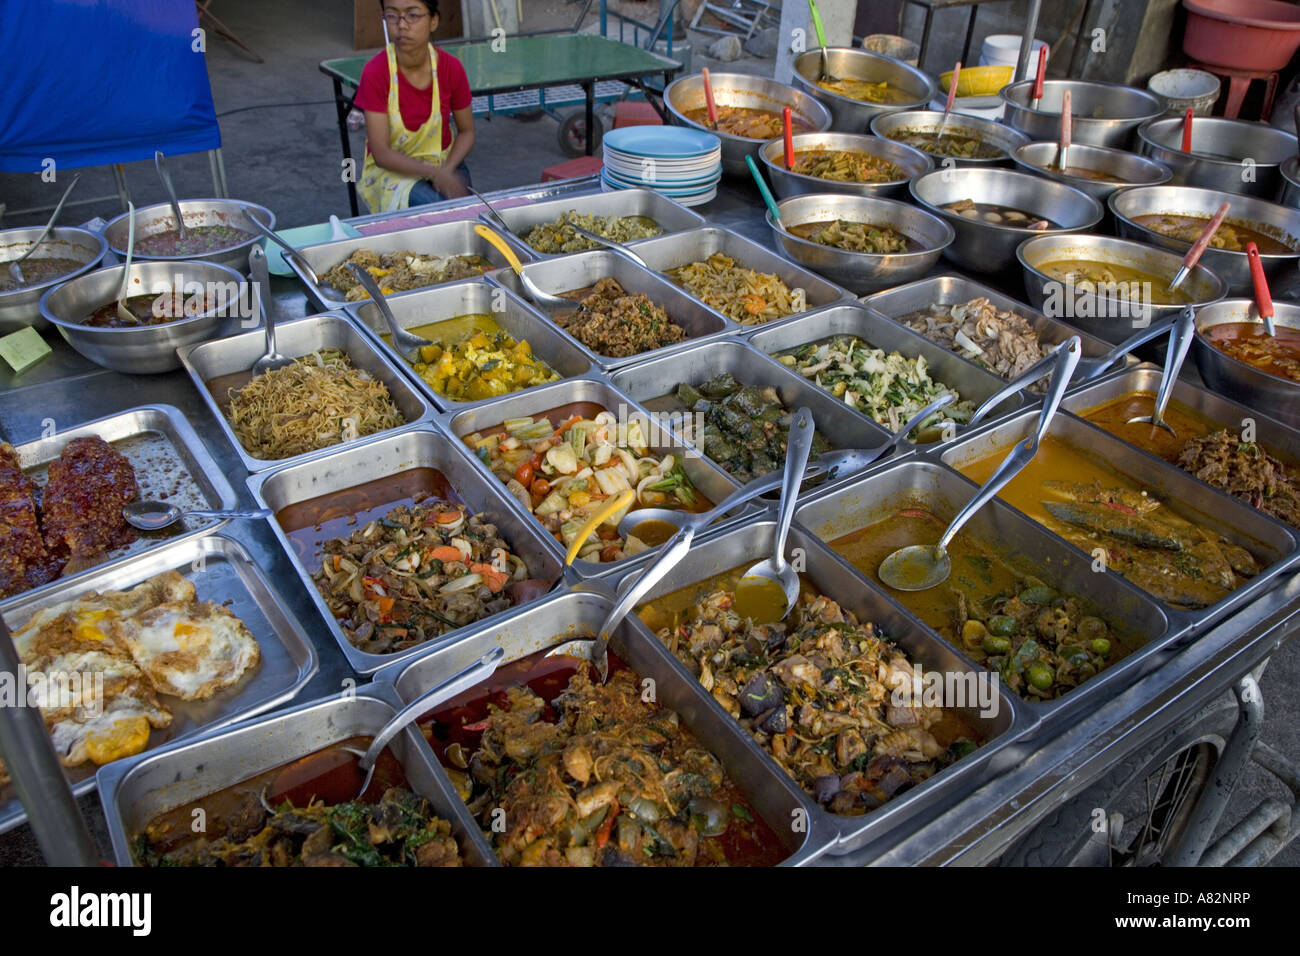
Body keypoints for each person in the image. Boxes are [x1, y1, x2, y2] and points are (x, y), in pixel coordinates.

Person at [354, 0, 475, 212]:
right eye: (392, 16)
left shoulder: (451, 68)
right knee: (436, 209)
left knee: (465, 210)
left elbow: (467, 132)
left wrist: (446, 170)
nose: (402, 25)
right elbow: (381, 153)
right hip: (392, 170)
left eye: (412, 15)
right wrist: (435, 174)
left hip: (444, 160)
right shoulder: (375, 72)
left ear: (433, 21)